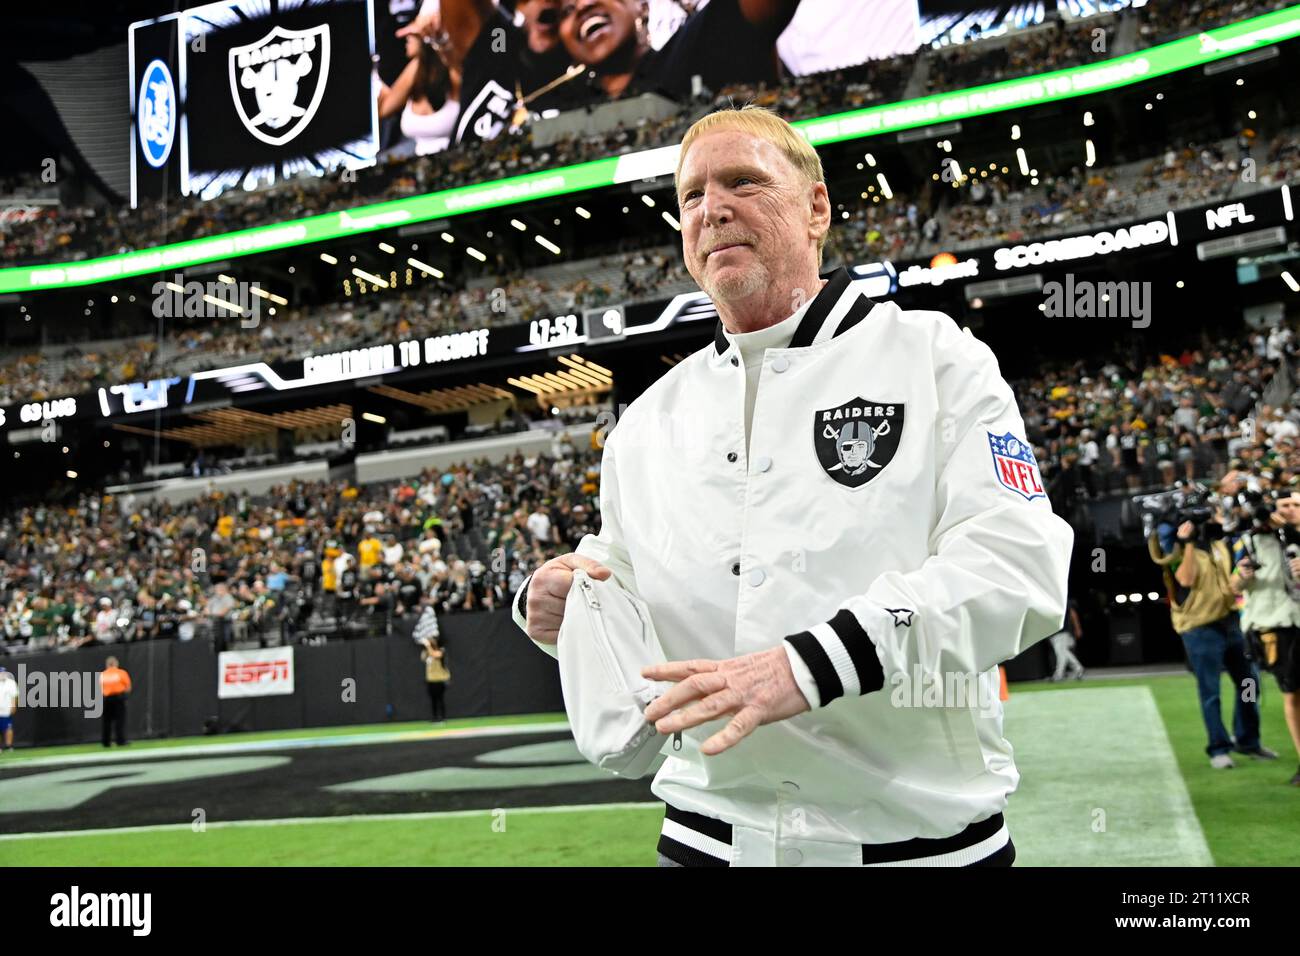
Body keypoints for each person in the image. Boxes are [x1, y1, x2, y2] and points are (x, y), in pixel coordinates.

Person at [511, 105, 1074, 867]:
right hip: (702, 842)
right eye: (692, 197)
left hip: (918, 847)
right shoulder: (644, 423)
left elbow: (1018, 568)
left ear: (816, 209)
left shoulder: (935, 358)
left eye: (742, 181)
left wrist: (806, 665)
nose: (713, 208)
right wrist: (565, 603)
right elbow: (623, 582)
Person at [1149, 509, 1276, 769]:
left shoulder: (1220, 544)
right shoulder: (1175, 548)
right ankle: (1218, 748)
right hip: (1200, 629)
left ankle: (1247, 740)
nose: (1213, 520)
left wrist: (1243, 576)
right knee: (1210, 691)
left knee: (1250, 683)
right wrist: (1187, 543)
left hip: (1230, 622)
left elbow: (1231, 586)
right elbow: (1186, 578)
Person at [1231, 491, 1300, 785]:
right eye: (1283, 505)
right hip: (1279, 624)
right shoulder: (1251, 541)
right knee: (1292, 692)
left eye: (1296, 505)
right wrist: (1243, 574)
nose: (1289, 510)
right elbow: (1233, 584)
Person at [1049, 596, 1084, 681]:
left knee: (1061, 653)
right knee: (1063, 652)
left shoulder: (1063, 599)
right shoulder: (1049, 600)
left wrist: (1077, 628)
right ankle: (1078, 668)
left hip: (1062, 631)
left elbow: (1073, 614)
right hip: (1053, 632)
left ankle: (1059, 674)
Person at [100, 656, 132, 748]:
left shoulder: (103, 674)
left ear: (107, 665)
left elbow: (101, 688)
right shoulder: (121, 673)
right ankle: (120, 741)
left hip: (107, 699)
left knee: (107, 722)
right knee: (120, 721)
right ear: (115, 663)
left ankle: (106, 742)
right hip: (119, 698)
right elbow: (128, 687)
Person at [420, 635, 451, 722]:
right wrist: (425, 648)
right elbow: (422, 658)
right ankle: (435, 717)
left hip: (439, 680)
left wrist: (428, 645)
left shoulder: (441, 651)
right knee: (433, 700)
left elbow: (435, 655)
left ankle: (443, 717)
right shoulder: (428, 652)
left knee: (440, 699)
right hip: (430, 680)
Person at [0, 666, 18, 752]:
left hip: (7, 709)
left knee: (8, 728)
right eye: (1, 673)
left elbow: (14, 696)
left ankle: (9, 745)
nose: (2, 674)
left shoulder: (11, 683)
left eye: (3, 673)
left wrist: (13, 705)